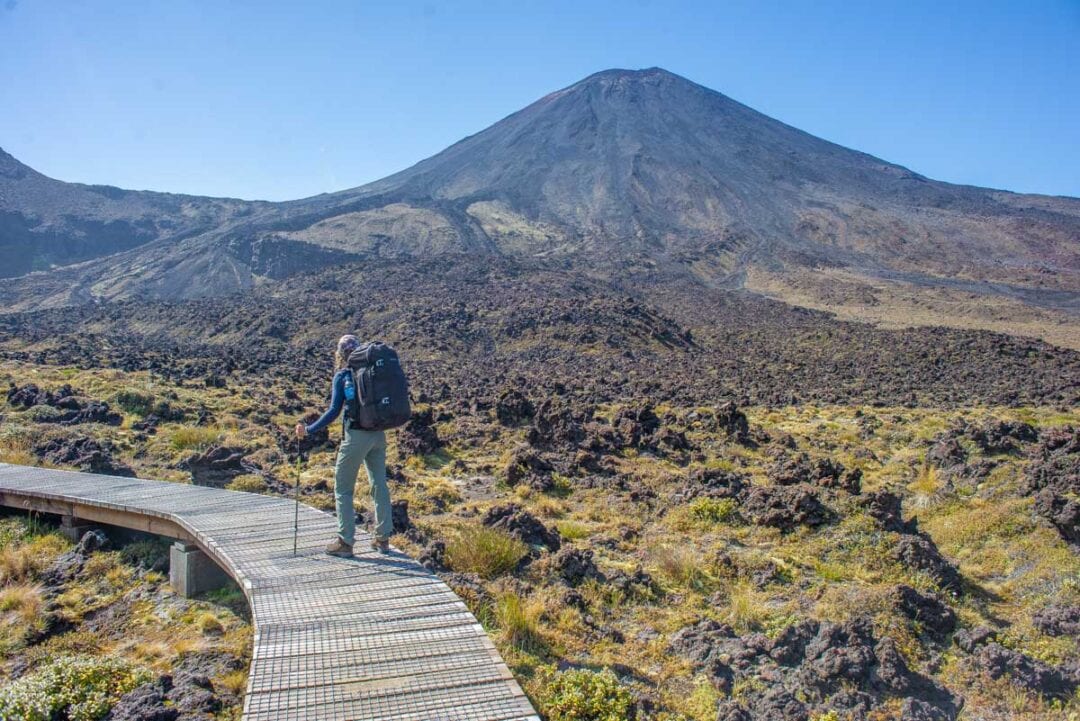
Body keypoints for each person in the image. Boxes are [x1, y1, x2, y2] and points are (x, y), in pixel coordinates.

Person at [295, 334, 392, 557]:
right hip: (378, 434)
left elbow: (333, 412)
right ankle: (383, 539)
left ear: (340, 354)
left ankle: (345, 542)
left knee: (343, 487)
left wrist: (308, 430)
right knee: (379, 485)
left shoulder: (343, 376)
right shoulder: (372, 372)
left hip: (356, 435)